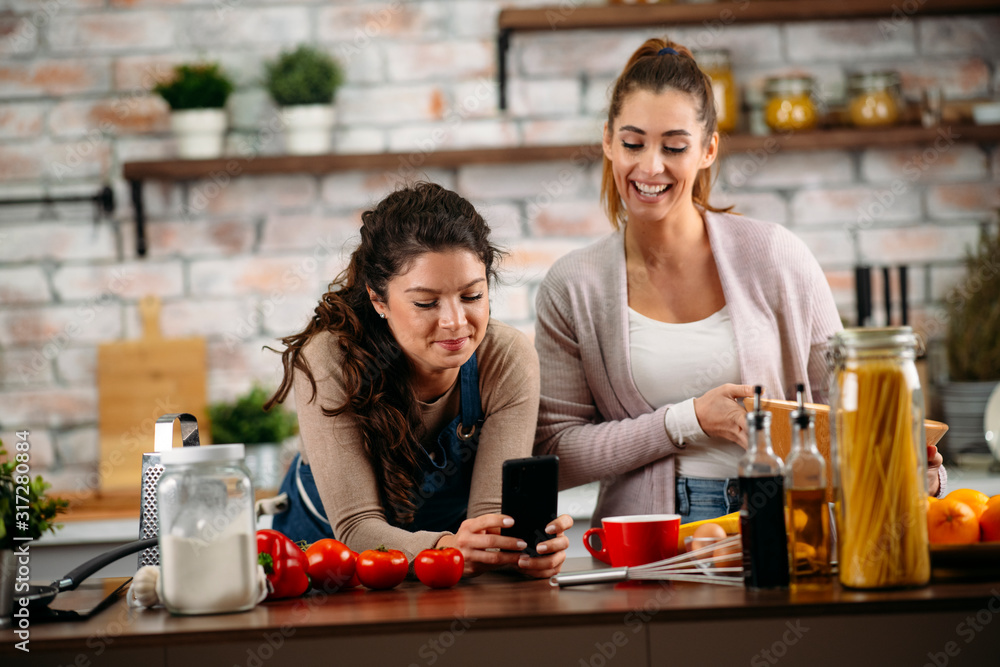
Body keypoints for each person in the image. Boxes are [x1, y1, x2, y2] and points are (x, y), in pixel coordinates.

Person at [533, 38, 946, 525]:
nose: (650, 166)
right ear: (607, 141)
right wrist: (686, 420)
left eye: (674, 146)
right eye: (632, 142)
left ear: (708, 149)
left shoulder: (776, 256)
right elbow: (555, 454)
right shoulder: (572, 287)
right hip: (649, 546)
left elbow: (839, 413)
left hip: (786, 529)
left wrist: (915, 469)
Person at [266, 182, 572, 579]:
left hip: (447, 574)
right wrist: (450, 548)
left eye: (472, 296)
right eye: (426, 303)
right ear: (379, 300)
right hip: (321, 569)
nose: (455, 322)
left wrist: (518, 551)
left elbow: (490, 522)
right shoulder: (330, 359)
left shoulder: (506, 360)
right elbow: (358, 528)